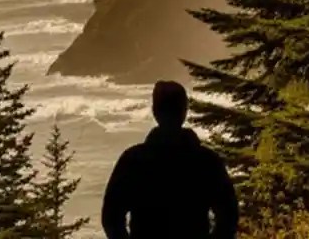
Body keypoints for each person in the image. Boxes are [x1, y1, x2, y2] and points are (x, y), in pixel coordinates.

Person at [101, 80, 239, 239]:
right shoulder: (206, 161)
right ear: (184, 111)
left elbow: (111, 217)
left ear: (154, 111)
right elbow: (229, 216)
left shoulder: (133, 160)